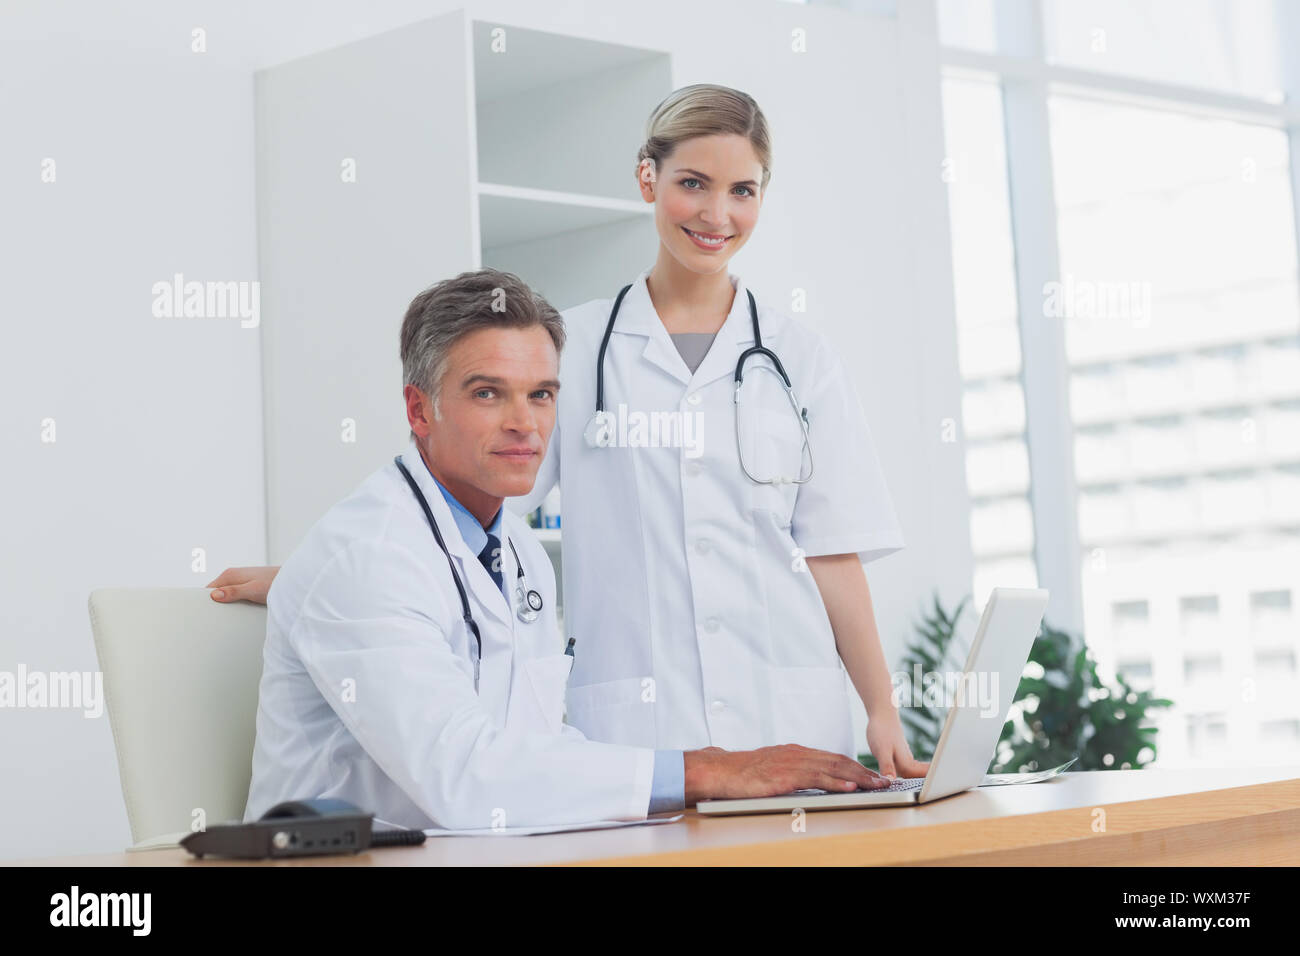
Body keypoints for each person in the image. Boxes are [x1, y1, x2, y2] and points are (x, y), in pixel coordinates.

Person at [216, 84, 927, 783]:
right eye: (692, 183)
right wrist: (321, 576)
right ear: (647, 178)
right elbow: (478, 494)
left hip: (789, 714)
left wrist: (880, 708)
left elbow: (833, 554)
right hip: (639, 721)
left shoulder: (801, 357)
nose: (718, 213)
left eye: (743, 190)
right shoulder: (571, 346)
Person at [242, 268, 888, 830]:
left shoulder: (516, 552)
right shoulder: (366, 559)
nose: (525, 424)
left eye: (542, 395)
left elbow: (534, 748)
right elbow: (465, 776)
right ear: (420, 410)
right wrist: (710, 770)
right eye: (488, 393)